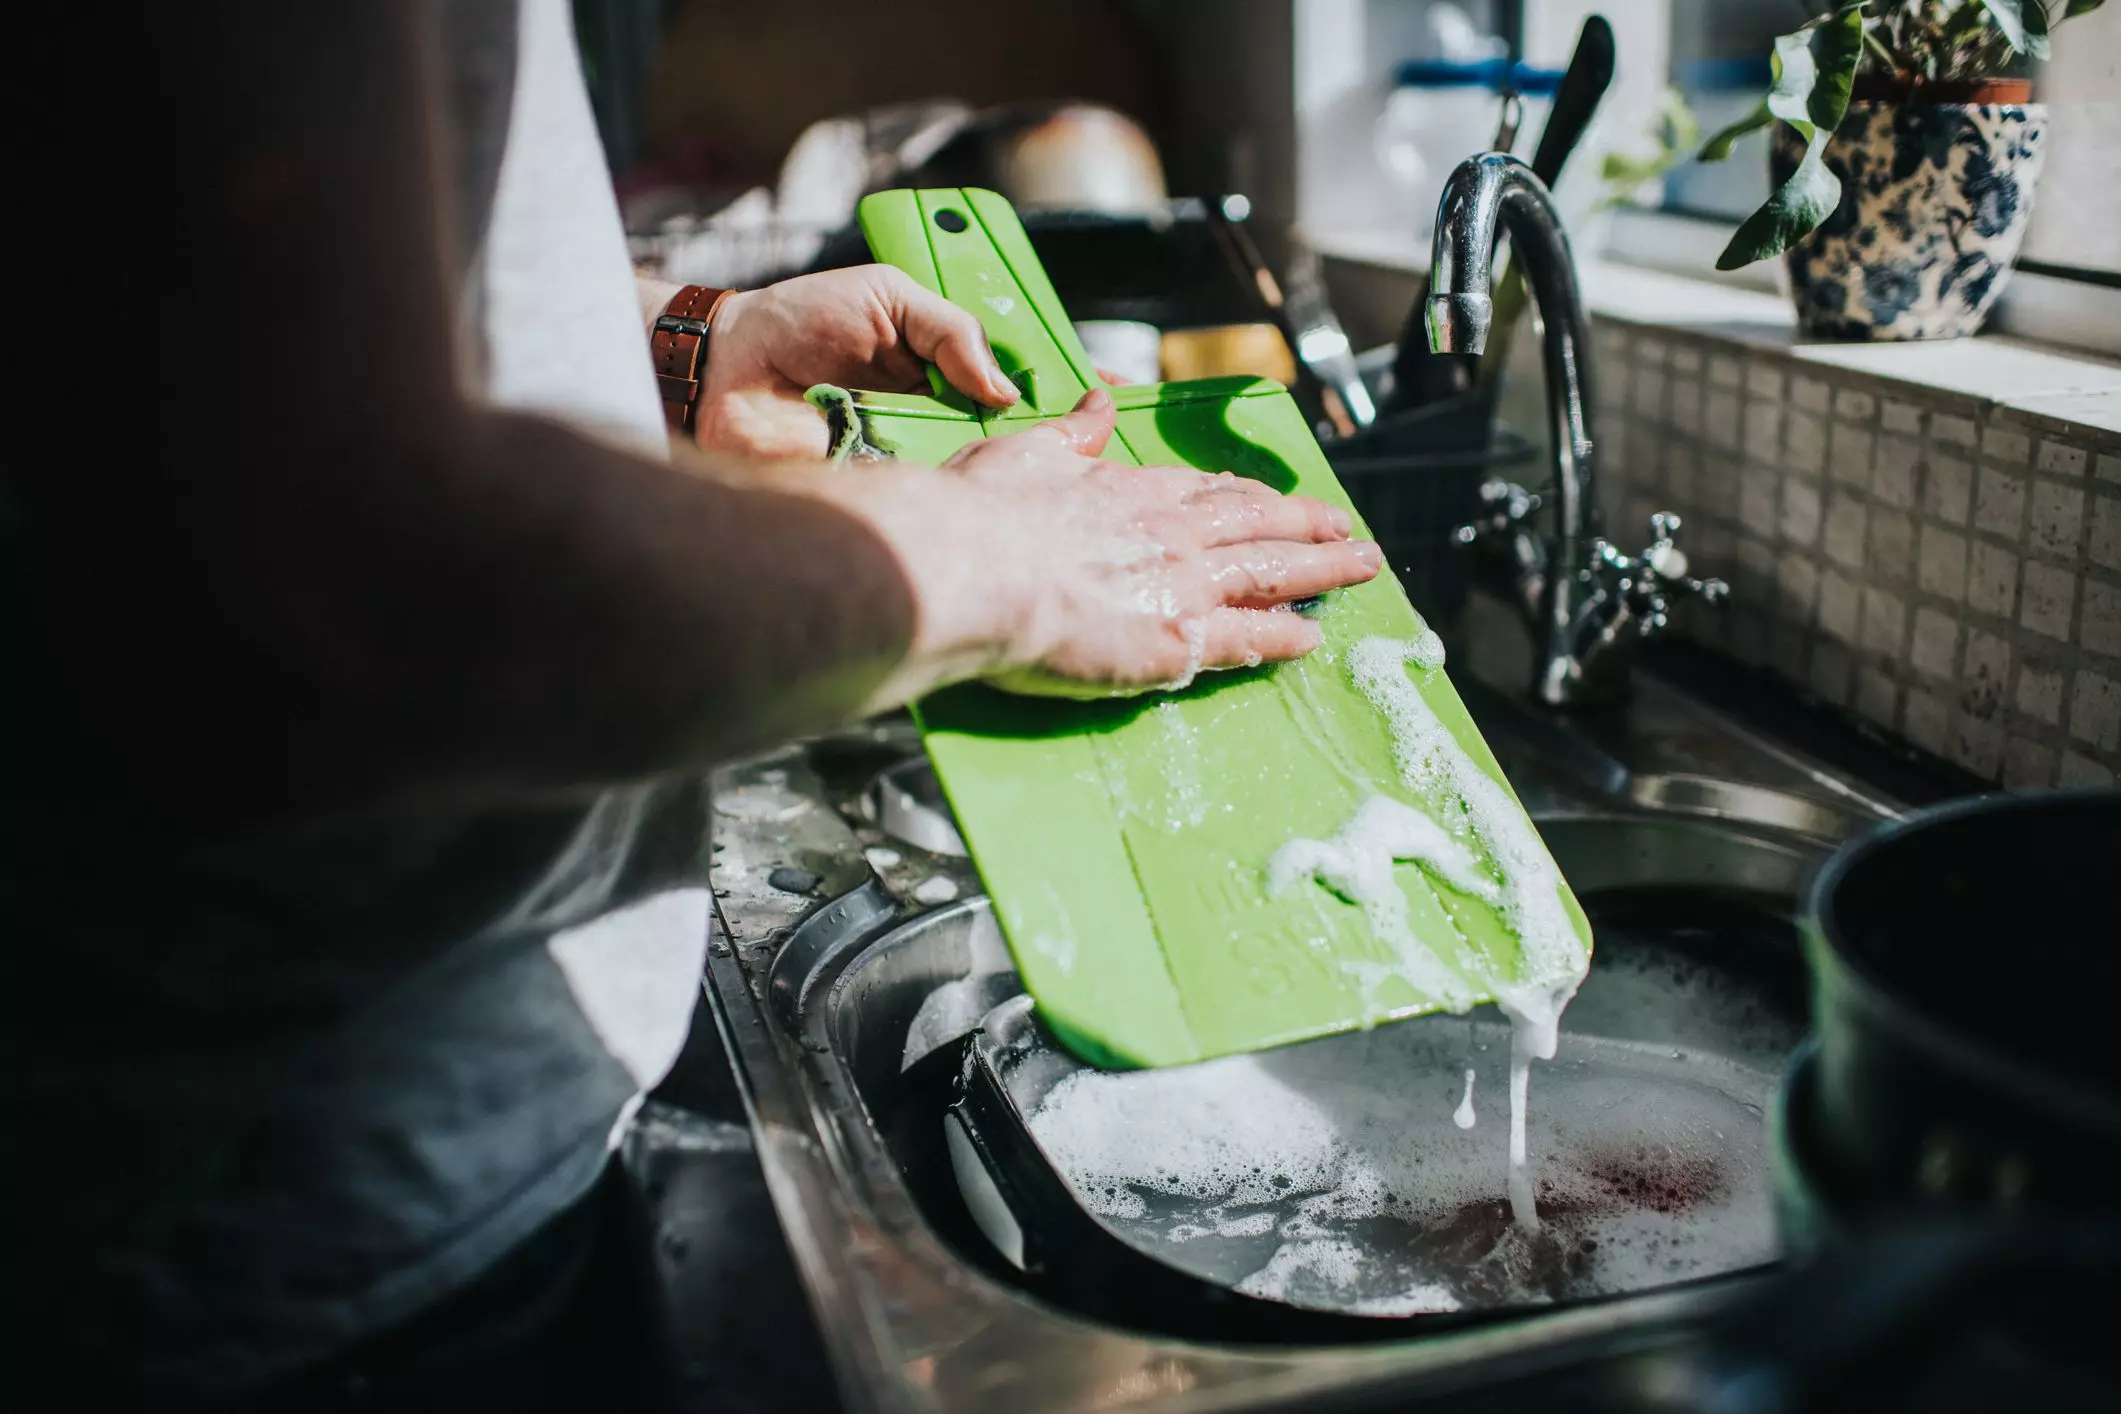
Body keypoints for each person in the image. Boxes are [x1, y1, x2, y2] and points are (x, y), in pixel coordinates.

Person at [19, 4, 1380, 1406]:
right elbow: (326, 569)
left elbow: (260, 309)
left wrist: (683, 347)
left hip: (398, 1171)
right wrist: (1002, 566)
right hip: (285, 1265)